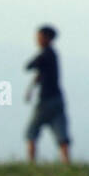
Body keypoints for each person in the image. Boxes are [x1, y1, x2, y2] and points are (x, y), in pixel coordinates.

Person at [25, 25, 71, 164]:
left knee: (31, 132)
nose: (37, 40)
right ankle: (66, 163)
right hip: (58, 99)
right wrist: (30, 89)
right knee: (61, 134)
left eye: (39, 37)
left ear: (47, 38)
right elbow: (40, 75)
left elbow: (29, 66)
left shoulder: (45, 55)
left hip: (46, 100)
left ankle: (31, 164)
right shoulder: (53, 55)